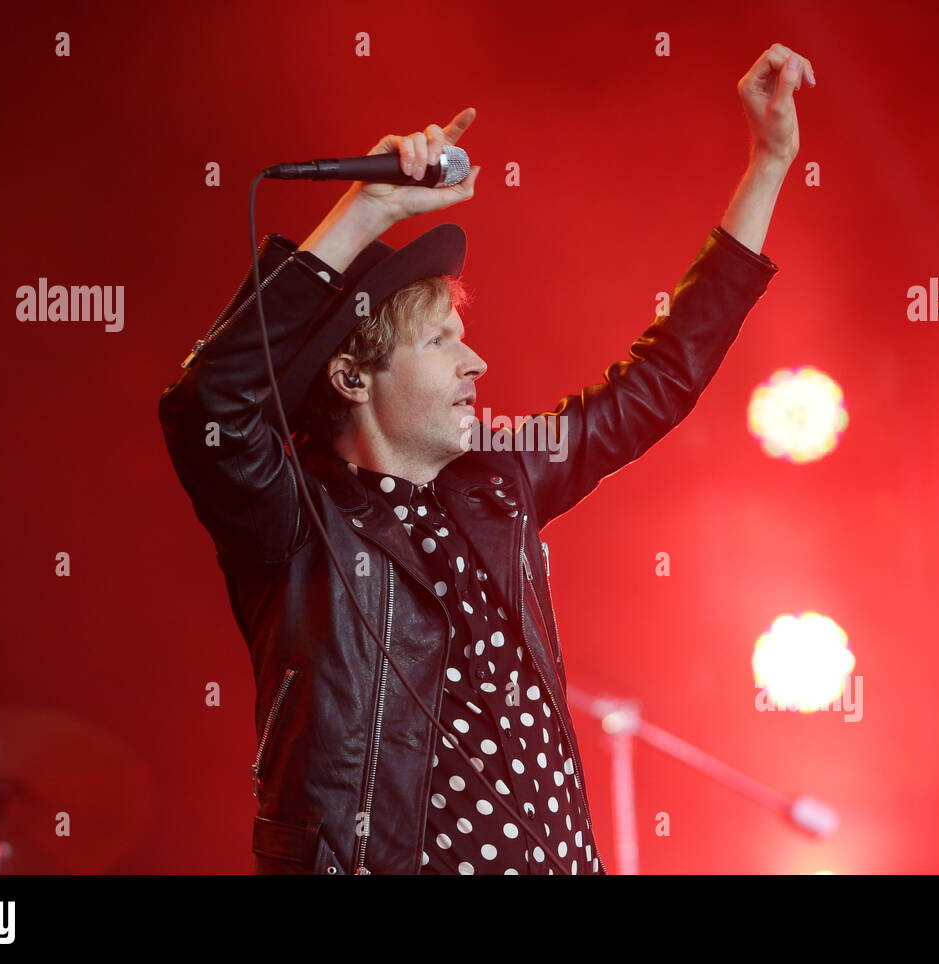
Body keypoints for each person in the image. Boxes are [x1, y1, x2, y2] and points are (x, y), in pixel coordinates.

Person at [158, 43, 815, 874]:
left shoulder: (498, 484)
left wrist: (767, 164)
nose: (477, 364)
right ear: (352, 376)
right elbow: (207, 407)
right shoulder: (298, 523)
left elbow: (660, 381)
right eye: (441, 342)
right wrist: (367, 210)